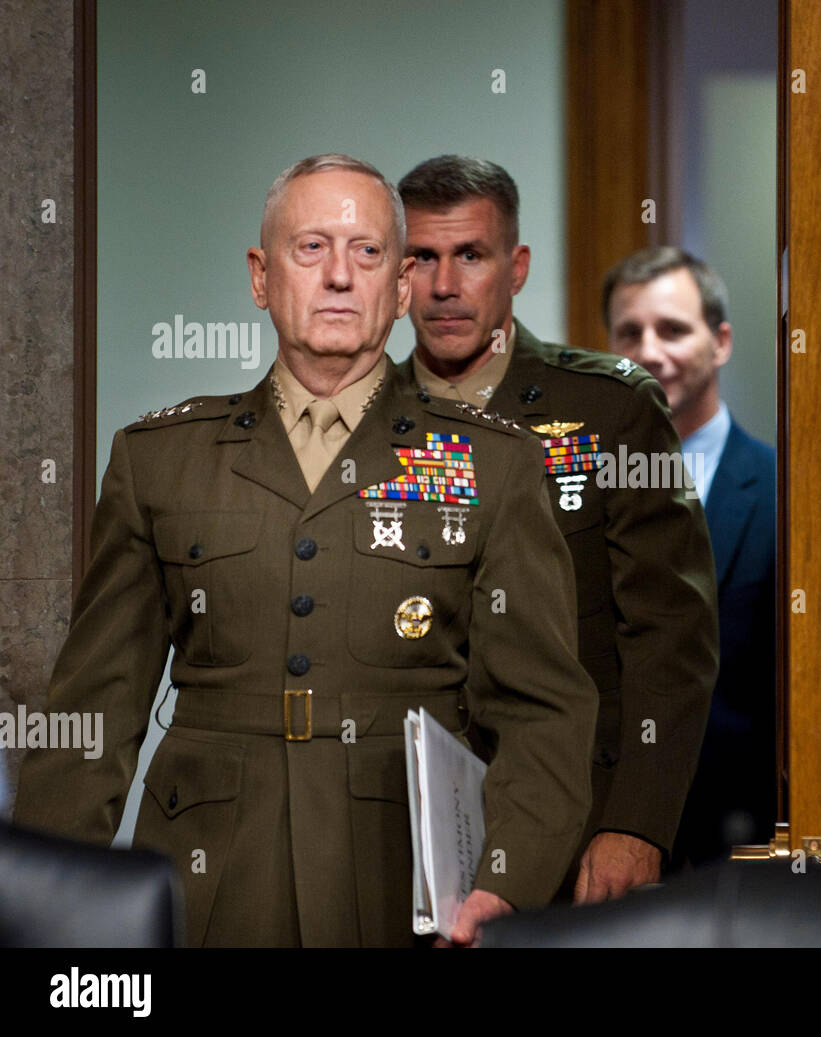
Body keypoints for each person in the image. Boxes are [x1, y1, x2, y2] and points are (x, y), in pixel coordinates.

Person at [12, 154, 598, 947]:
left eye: (367, 253)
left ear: (398, 289)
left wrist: (503, 882)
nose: (338, 277)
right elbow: (97, 707)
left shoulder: (494, 465)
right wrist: (49, 899)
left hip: (405, 890)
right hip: (209, 881)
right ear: (261, 275)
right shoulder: (160, 459)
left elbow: (545, 713)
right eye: (311, 247)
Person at [397, 156, 718, 903]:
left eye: (470, 255)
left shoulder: (613, 410)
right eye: (422, 258)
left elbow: (673, 637)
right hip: (404, 838)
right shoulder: (367, 423)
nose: (444, 286)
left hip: (581, 833)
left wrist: (637, 823)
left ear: (517, 267)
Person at [602, 246, 777, 864]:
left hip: (735, 838)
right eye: (630, 333)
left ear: (721, 341)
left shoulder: (785, 493)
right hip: (596, 834)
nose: (650, 351)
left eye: (673, 329)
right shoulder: (571, 489)